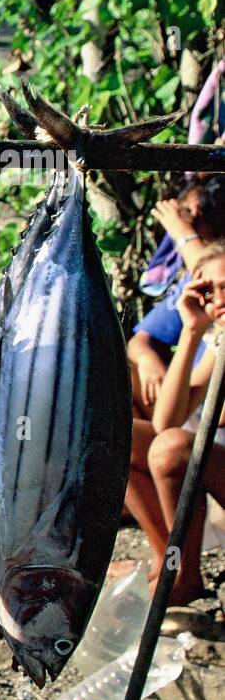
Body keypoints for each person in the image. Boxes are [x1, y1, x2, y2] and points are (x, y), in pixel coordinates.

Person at [128, 241, 225, 606]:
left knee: (171, 451)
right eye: (208, 291)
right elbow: (168, 421)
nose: (218, 300)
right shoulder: (219, 339)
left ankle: (182, 573)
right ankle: (170, 560)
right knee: (111, 438)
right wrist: (192, 331)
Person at [128, 174, 225, 416]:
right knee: (107, 376)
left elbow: (217, 416)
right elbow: (140, 341)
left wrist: (183, 234)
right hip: (185, 405)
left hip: (198, 419)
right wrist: (150, 362)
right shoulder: (195, 288)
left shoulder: (207, 280)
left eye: (193, 215)